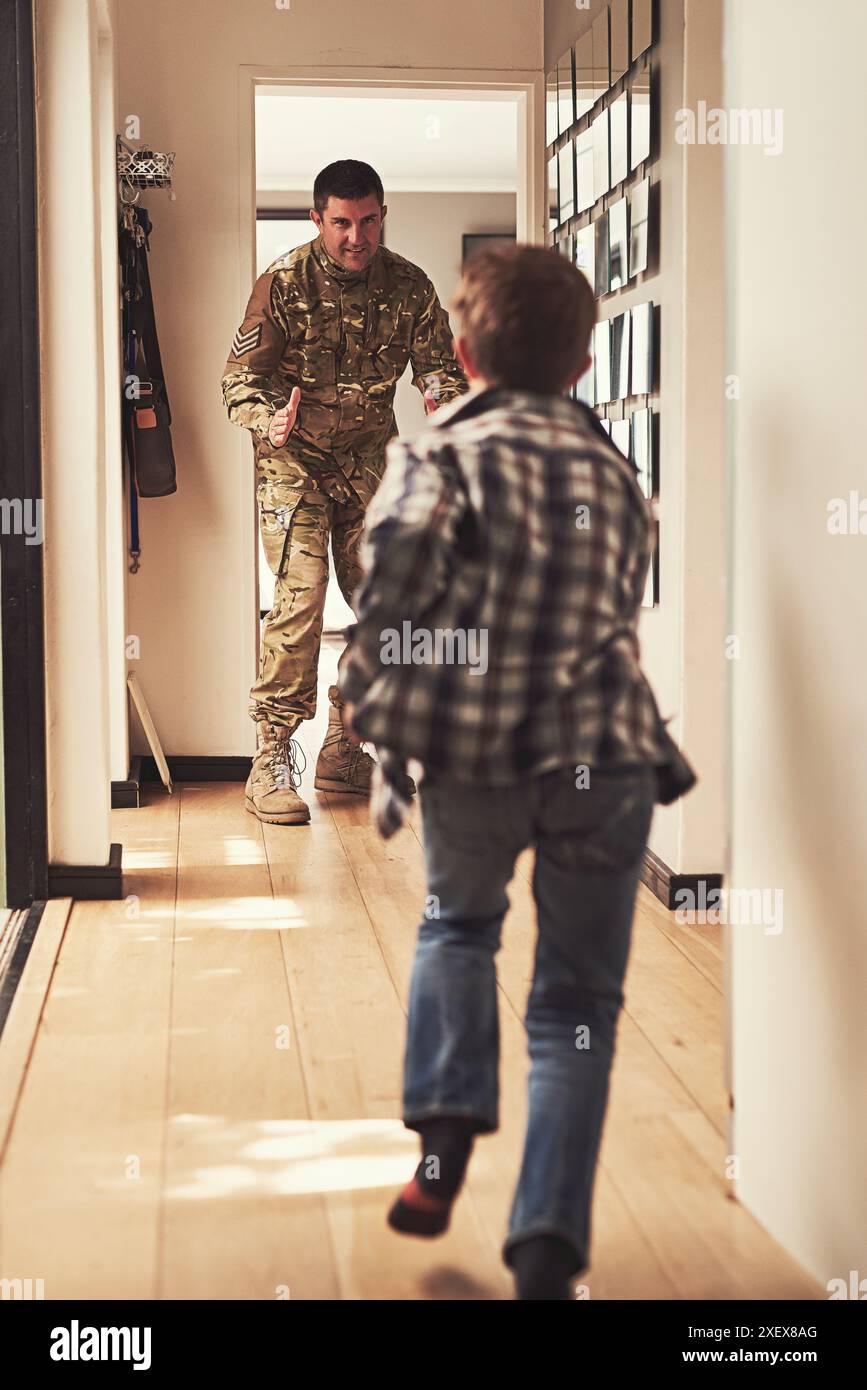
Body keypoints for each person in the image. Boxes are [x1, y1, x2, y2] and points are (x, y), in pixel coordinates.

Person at [338, 243, 696, 1300]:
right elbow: (609, 615)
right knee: (577, 1001)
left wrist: (380, 690)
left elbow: (392, 612)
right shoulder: (617, 474)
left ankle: (444, 1137)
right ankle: (545, 1245)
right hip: (609, 756)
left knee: (457, 926)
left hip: (478, 756)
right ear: (584, 366)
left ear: (460, 353)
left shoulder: (437, 457)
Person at [221, 159, 468, 825]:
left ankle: (345, 742)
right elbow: (238, 379)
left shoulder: (410, 286)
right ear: (317, 220)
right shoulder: (283, 281)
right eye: (340, 223)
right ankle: (271, 753)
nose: (355, 236)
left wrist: (447, 414)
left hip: (368, 461)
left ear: (382, 216)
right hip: (292, 458)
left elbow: (440, 370)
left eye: (366, 222)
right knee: (300, 596)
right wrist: (263, 418)